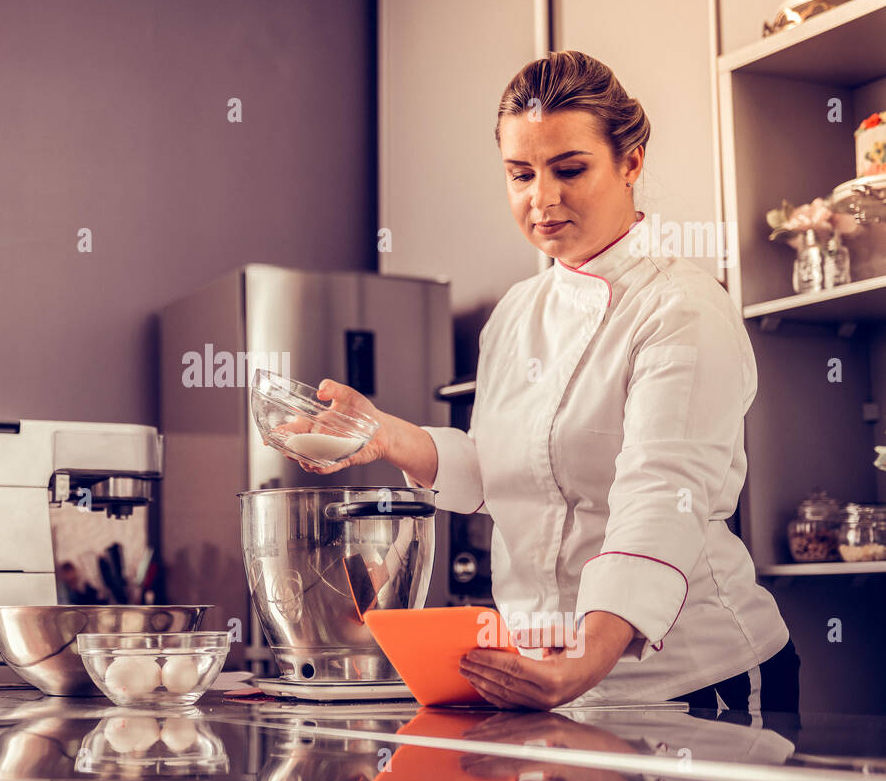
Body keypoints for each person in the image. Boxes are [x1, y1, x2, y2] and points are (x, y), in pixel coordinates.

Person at [298, 50, 799, 713]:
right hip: (547, 677)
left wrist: (590, 657)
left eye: (570, 169)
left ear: (632, 163)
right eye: (520, 174)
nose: (543, 199)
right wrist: (387, 436)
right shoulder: (515, 315)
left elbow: (662, 493)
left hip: (694, 678)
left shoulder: (682, 307)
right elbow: (503, 471)